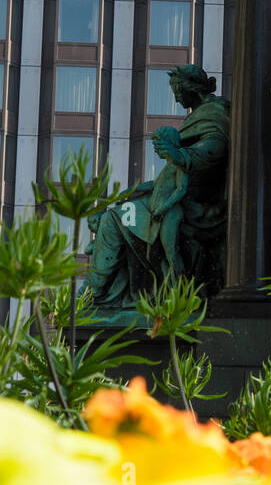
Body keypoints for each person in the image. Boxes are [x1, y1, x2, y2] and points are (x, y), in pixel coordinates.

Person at [86, 65, 229, 312]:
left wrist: (179, 155)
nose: (176, 97)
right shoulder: (203, 113)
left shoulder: (213, 114)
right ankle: (107, 294)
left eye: (177, 90)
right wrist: (133, 193)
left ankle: (96, 294)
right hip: (175, 200)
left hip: (194, 207)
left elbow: (213, 151)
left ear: (191, 89)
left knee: (112, 220)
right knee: (115, 215)